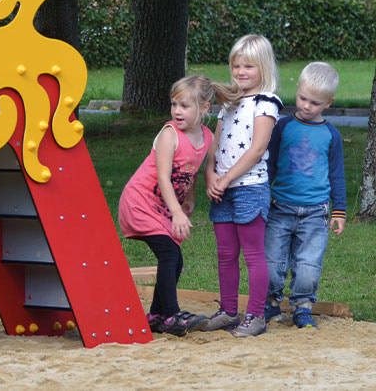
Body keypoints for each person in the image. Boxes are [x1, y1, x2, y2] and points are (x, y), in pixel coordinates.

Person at [119, 75, 227, 336]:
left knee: (175, 260)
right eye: (174, 104)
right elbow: (164, 177)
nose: (177, 111)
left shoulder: (206, 137)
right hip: (140, 202)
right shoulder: (170, 135)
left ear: (204, 108)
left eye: (184, 106)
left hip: (161, 206)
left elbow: (189, 171)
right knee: (169, 254)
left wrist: (189, 199)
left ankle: (156, 315)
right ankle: (171, 315)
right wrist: (176, 213)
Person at [203, 34, 282, 338]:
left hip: (249, 188)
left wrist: (225, 178)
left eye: (249, 65)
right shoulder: (230, 102)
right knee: (225, 254)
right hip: (222, 190)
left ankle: (256, 316)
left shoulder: (266, 103)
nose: (241, 72)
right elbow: (215, 142)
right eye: (236, 66)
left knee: (252, 254)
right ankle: (227, 311)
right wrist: (210, 174)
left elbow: (257, 149)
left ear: (263, 67)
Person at [263, 62, 346, 329]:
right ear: (297, 89)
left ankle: (302, 307)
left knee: (308, 266)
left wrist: (339, 210)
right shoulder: (282, 127)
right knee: (272, 261)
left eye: (315, 102)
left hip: (315, 213)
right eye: (303, 98)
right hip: (280, 208)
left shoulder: (331, 135)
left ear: (329, 103)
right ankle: (271, 304)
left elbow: (337, 175)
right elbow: (270, 164)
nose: (307, 106)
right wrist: (262, 195)